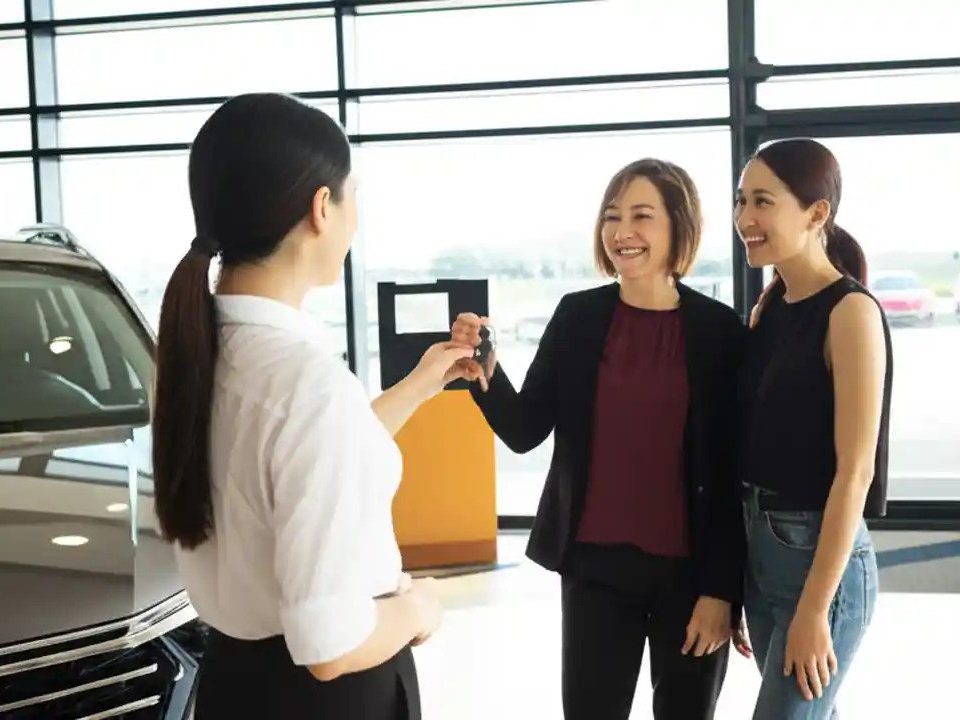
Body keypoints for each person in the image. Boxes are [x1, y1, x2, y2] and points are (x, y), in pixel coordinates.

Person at [150, 93, 476, 720]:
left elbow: (297, 465)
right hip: (328, 698)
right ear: (321, 209)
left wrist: (419, 384)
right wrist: (416, 610)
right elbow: (329, 645)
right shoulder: (306, 384)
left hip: (234, 683)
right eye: (354, 198)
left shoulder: (200, 354)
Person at [451, 158, 748, 720]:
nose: (622, 232)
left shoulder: (719, 331)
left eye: (642, 215)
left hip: (690, 577)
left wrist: (722, 591)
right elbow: (523, 428)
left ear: (677, 225)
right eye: (612, 216)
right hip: (593, 570)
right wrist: (484, 365)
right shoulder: (578, 317)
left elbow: (732, 472)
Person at [733, 137, 894, 720]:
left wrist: (814, 611)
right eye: (742, 201)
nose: (745, 219)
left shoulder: (850, 313)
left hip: (819, 564)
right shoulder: (769, 309)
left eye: (764, 202)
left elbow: (855, 472)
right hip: (761, 550)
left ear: (816, 213)